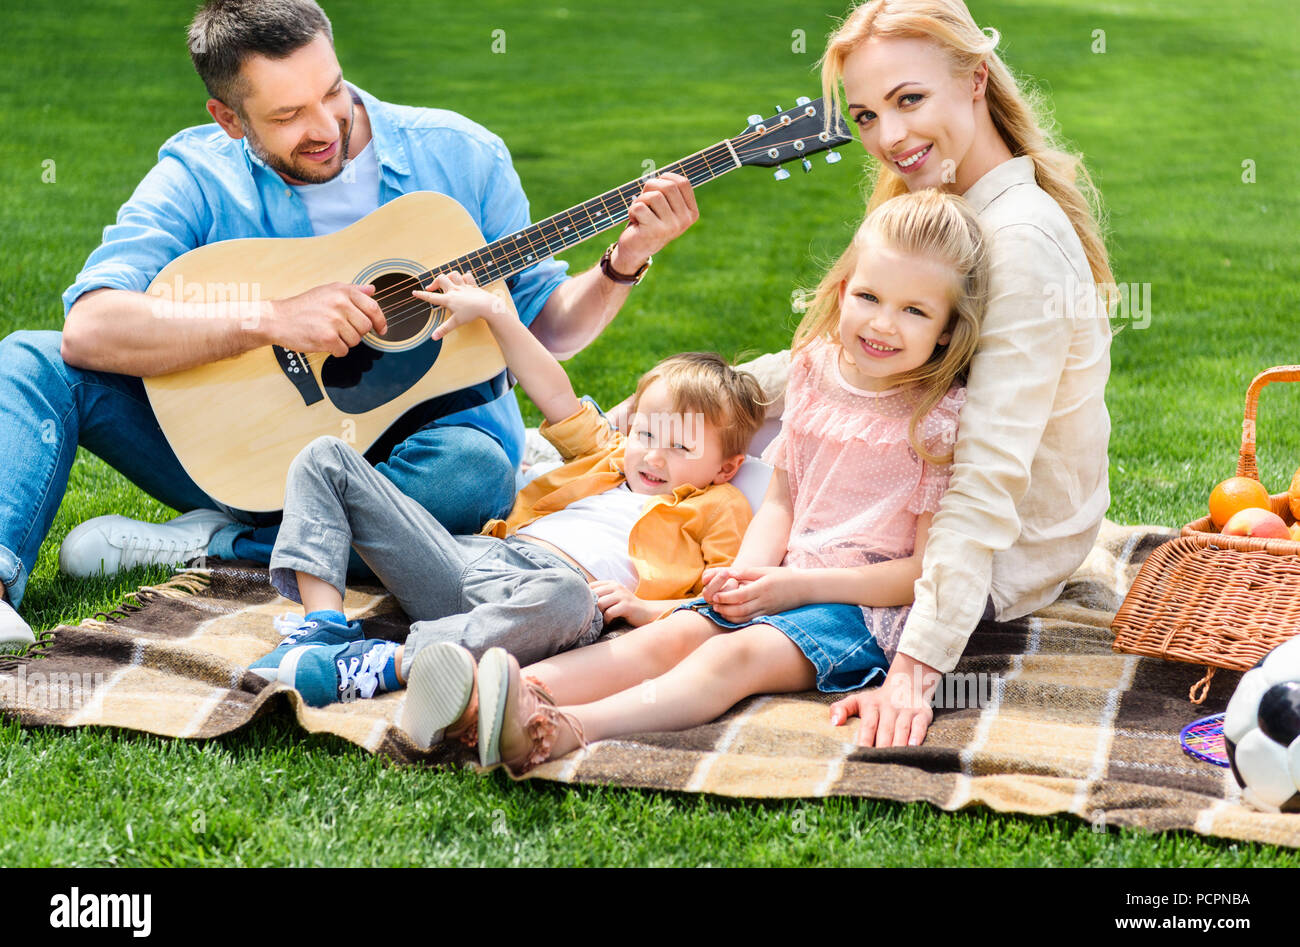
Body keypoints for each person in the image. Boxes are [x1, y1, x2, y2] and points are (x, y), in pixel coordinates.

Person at [0, 0, 699, 649]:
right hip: (233, 446)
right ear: (229, 119)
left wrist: (621, 262)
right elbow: (90, 328)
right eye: (288, 114)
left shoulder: (459, 154)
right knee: (31, 361)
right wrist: (271, 318)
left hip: (405, 464)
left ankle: (218, 543)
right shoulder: (196, 173)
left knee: (477, 470)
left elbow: (546, 330)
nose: (327, 125)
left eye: (333, 90)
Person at [612, 0, 1114, 750]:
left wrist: (915, 666)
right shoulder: (937, 199)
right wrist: (668, 409)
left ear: (976, 80)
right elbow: (833, 370)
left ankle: (642, 607)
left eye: (910, 100)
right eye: (868, 114)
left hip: (989, 551)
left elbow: (986, 477)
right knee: (687, 440)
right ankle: (654, 600)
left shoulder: (1021, 244)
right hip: (901, 494)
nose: (891, 137)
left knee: (713, 474)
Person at [408, 187, 991, 773]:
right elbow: (782, 505)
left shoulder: (936, 420)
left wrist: (792, 589)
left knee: (730, 658)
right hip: (781, 579)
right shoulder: (814, 374)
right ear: (843, 292)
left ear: (946, 330)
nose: (883, 324)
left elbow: (920, 573)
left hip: (854, 609)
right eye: (869, 296)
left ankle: (562, 730)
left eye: (915, 310)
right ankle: (495, 700)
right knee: (660, 641)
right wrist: (749, 574)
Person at [249, 268, 767, 749]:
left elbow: (721, 605)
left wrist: (644, 609)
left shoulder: (722, 505)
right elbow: (553, 389)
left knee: (568, 594)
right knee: (325, 457)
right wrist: (497, 313)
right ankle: (323, 630)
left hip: (556, 603)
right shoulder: (607, 454)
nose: (654, 454)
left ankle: (383, 665)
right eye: (647, 433)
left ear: (725, 467)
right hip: (475, 559)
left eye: (681, 447)